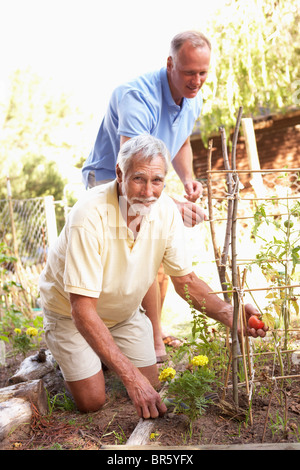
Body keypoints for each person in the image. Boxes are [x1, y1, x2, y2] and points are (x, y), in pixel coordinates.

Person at [39, 135, 268, 419]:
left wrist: (230, 314)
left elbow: (186, 282)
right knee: (92, 400)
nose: (148, 191)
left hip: (122, 314)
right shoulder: (88, 216)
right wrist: (131, 379)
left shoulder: (166, 212)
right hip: (71, 315)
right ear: (120, 174)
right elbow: (82, 310)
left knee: (151, 382)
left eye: (157, 181)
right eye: (139, 179)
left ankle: (101, 352)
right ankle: (71, 356)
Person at [81, 30, 212, 359]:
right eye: (188, 73)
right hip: (114, 179)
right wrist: (171, 204)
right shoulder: (137, 98)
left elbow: (180, 140)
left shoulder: (191, 97)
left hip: (149, 181)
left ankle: (151, 332)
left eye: (202, 73)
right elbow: (134, 168)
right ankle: (122, 336)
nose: (196, 81)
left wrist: (187, 179)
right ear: (170, 64)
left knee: (158, 257)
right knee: (131, 259)